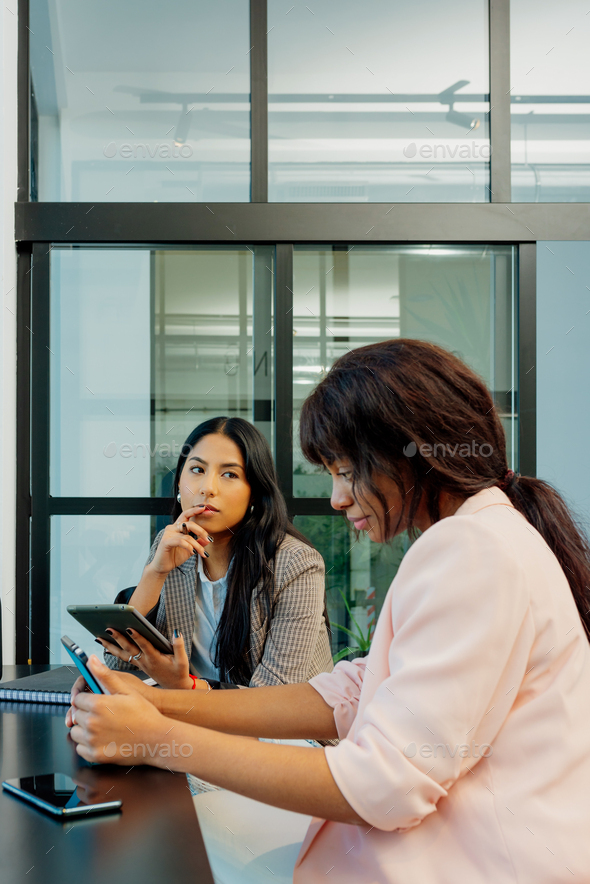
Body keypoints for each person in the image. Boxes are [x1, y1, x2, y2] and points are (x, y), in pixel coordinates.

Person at [69, 339, 590, 882]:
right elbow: (350, 692)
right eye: (196, 470)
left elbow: (385, 784)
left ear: (406, 452)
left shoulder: (470, 551)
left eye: (345, 471)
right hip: (454, 847)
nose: (338, 498)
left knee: (166, 846)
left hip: (472, 862)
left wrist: (157, 736)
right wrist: (159, 704)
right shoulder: (481, 538)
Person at [98, 416, 332, 689]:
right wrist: (155, 573)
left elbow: (273, 696)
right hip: (192, 718)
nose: (207, 488)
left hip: (282, 728)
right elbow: (118, 663)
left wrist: (188, 688)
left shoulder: (296, 564)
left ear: (254, 493)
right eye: (197, 470)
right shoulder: (171, 544)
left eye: (229, 474)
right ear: (178, 484)